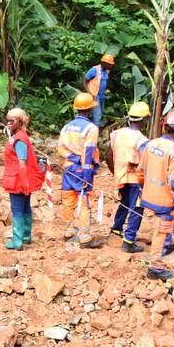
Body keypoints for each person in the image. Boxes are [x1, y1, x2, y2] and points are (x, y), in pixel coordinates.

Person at [139, 110, 174, 280]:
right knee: (162, 231)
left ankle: (168, 243)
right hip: (163, 200)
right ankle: (155, 268)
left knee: (162, 228)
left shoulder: (151, 144)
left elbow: (142, 169)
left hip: (149, 195)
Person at [58, 91, 103, 248]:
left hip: (68, 168)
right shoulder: (91, 128)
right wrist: (87, 175)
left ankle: (68, 230)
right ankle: (84, 236)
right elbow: (88, 152)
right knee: (85, 201)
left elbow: (60, 149)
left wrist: (73, 158)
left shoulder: (66, 127)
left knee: (68, 200)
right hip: (82, 170)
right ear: (89, 110)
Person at [0, 107, 45, 250]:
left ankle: (17, 241)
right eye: (7, 121)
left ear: (20, 122)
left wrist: (24, 182)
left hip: (18, 180)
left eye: (12, 121)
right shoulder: (21, 136)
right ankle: (26, 237)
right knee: (25, 208)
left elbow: (22, 162)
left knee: (17, 209)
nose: (8, 124)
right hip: (20, 178)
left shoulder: (19, 140)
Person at [109, 101, 149, 253]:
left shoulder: (116, 133)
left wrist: (116, 172)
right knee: (137, 208)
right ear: (144, 119)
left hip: (121, 177)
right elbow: (146, 163)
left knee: (124, 203)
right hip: (135, 180)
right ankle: (129, 240)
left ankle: (116, 230)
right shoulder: (142, 140)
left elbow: (109, 155)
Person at [84, 52, 116, 125]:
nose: (111, 66)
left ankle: (92, 129)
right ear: (104, 63)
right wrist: (89, 93)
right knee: (97, 116)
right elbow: (84, 80)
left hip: (102, 96)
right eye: (110, 64)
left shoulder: (107, 71)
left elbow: (102, 81)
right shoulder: (95, 70)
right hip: (94, 96)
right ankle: (95, 132)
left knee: (100, 114)